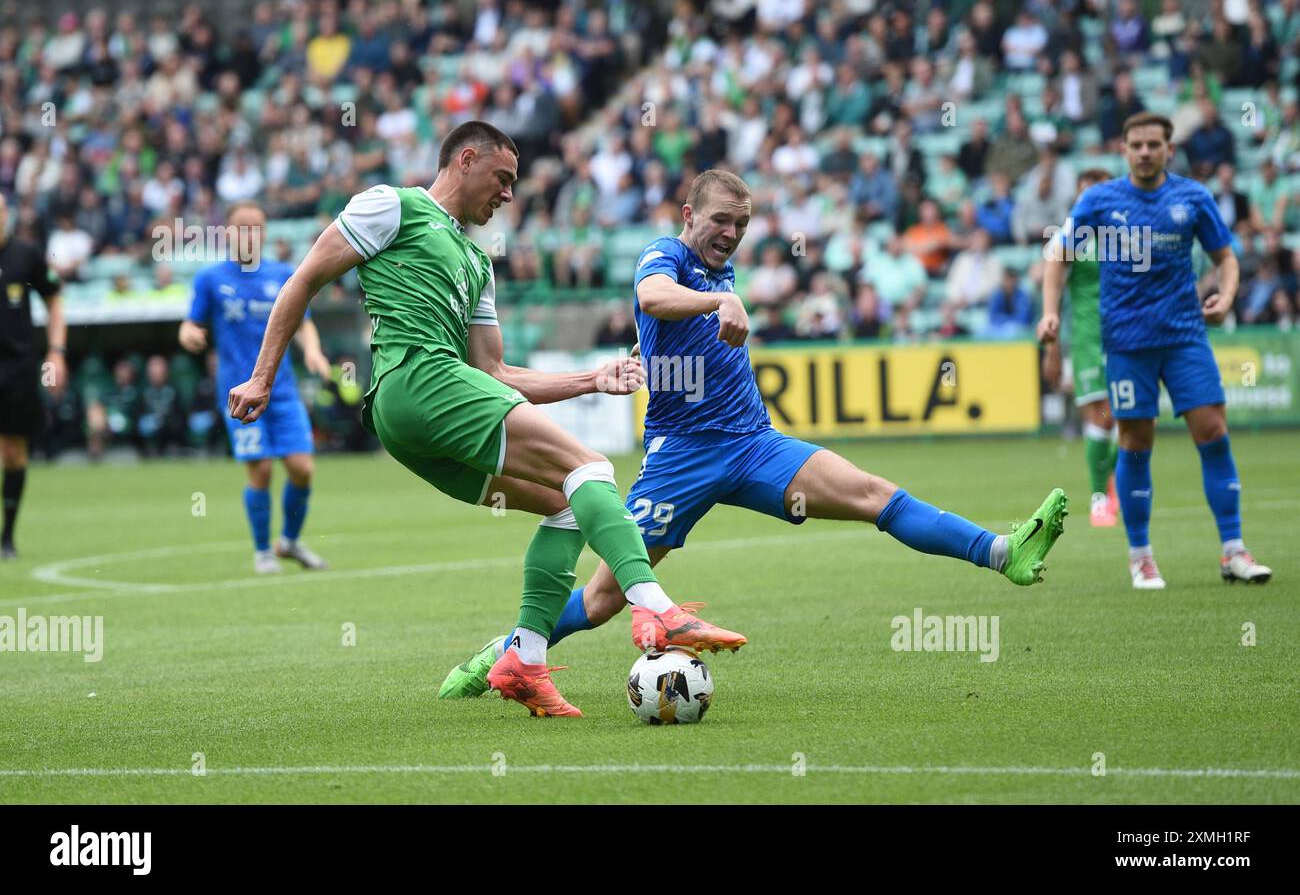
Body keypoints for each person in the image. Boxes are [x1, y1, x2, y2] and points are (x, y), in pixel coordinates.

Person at [440, 170, 1070, 700]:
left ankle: (1001, 552)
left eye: (742, 224)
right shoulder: (665, 254)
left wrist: (662, 342)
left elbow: (667, 324)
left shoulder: (721, 269)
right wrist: (716, 305)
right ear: (689, 216)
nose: (732, 233)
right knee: (603, 598)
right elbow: (654, 296)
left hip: (753, 444)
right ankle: (503, 653)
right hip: (681, 459)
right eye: (721, 220)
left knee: (874, 494)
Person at [227, 122, 742, 718]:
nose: (508, 194)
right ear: (465, 159)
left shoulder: (477, 261)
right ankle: (655, 606)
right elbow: (304, 280)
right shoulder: (392, 205)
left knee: (566, 502)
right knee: (592, 468)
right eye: (502, 178)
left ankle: (524, 660)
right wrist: (263, 376)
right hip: (418, 377)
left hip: (414, 419)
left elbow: (495, 373)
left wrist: (591, 379)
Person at [1039, 113, 1271, 589]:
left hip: (1185, 336)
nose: (1145, 152)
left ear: (1169, 149)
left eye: (1153, 144)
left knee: (1213, 430)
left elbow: (1226, 258)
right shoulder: (1100, 200)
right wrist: (1049, 312)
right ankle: (1140, 556)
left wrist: (1227, 297)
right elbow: (1057, 256)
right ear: (1123, 150)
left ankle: (1234, 550)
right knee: (1135, 442)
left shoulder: (1193, 197)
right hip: (1127, 343)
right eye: (1136, 145)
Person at [180, 201, 332, 575]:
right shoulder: (210, 278)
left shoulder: (284, 275)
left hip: (283, 391)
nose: (249, 234)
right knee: (261, 470)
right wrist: (189, 334)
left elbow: (303, 322)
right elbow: (190, 323)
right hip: (239, 393)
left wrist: (313, 351)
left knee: (302, 468)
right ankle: (263, 551)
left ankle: (289, 542)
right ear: (228, 233)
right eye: (242, 227)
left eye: (256, 227)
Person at [1037, 168, 1120, 528]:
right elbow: (1052, 285)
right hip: (1088, 339)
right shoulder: (1072, 239)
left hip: (1129, 337)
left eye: (1095, 191)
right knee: (1101, 415)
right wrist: (1052, 348)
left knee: (1133, 417)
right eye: (1083, 192)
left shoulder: (1128, 236)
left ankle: (1115, 479)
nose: (1088, 199)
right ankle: (1100, 497)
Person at [0, 193, 67, 560]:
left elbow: (54, 300)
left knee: (12, 451)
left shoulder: (26, 255)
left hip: (17, 367)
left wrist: (56, 351)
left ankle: (7, 537)